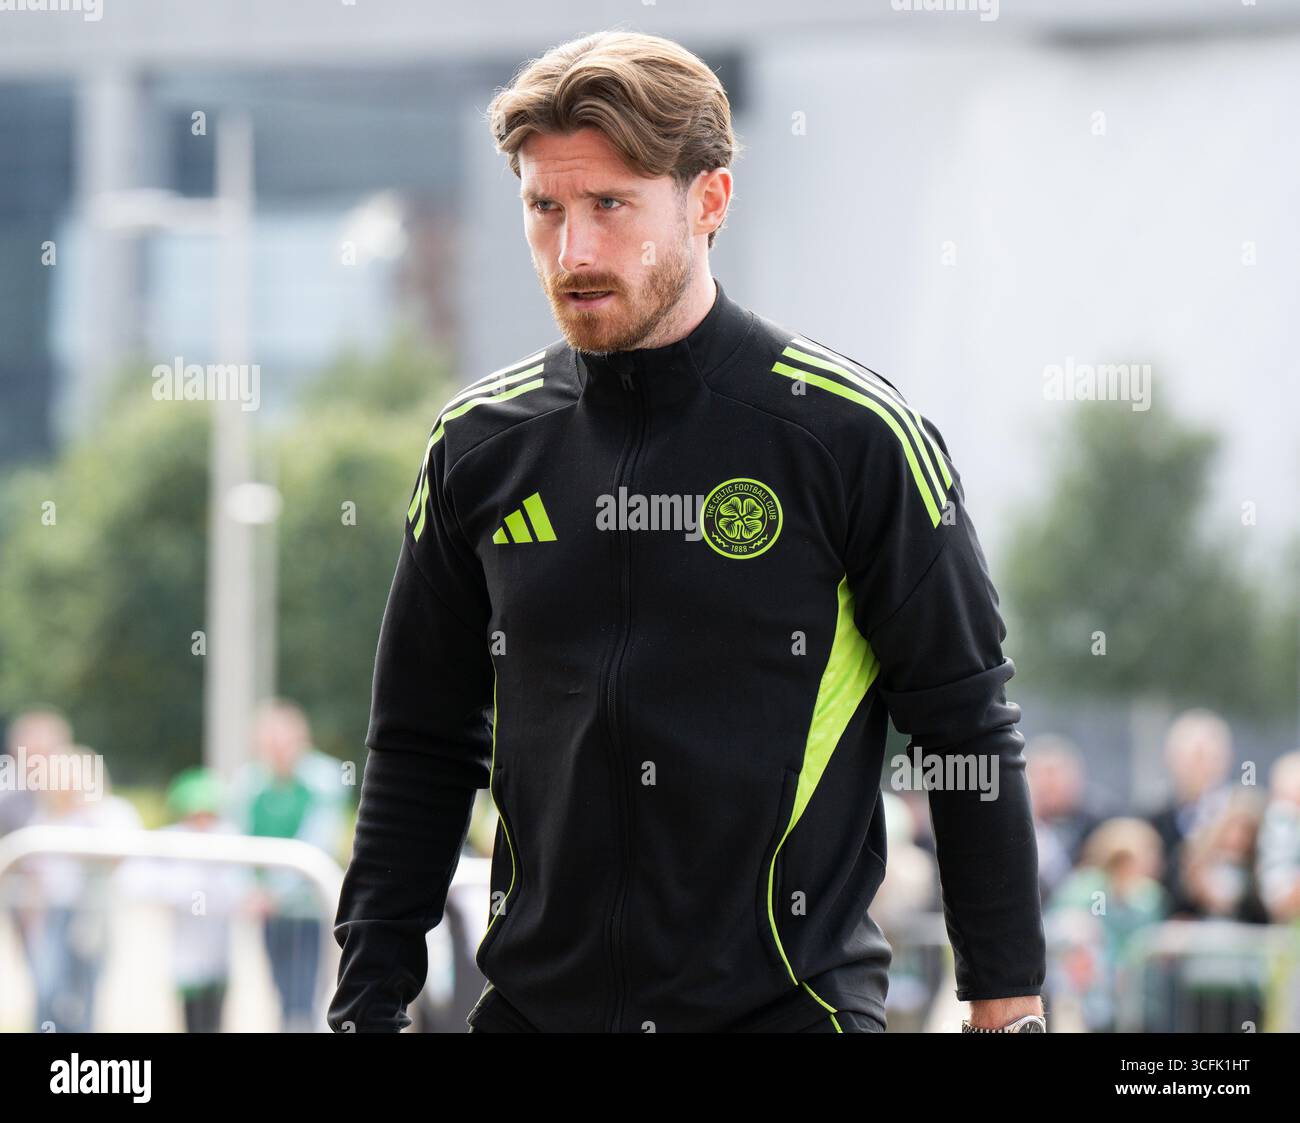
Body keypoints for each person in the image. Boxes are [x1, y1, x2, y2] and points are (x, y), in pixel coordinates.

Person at [329, 30, 1045, 1034]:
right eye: (545, 208)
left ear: (707, 202)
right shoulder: (477, 448)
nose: (573, 251)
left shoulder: (851, 437)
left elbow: (966, 731)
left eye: (610, 206)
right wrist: (366, 1005)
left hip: (787, 1014)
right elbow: (418, 744)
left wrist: (1005, 1013)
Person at [228, 700, 346, 1032]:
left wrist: (274, 891)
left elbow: (317, 841)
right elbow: (239, 838)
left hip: (307, 909)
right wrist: (251, 891)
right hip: (269, 911)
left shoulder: (321, 780)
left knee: (303, 996)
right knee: (282, 993)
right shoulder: (251, 783)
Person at [1146, 709, 1236, 917]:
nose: (1199, 766)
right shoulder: (1154, 820)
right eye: (1192, 757)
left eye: (1206, 757)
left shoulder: (1243, 817)